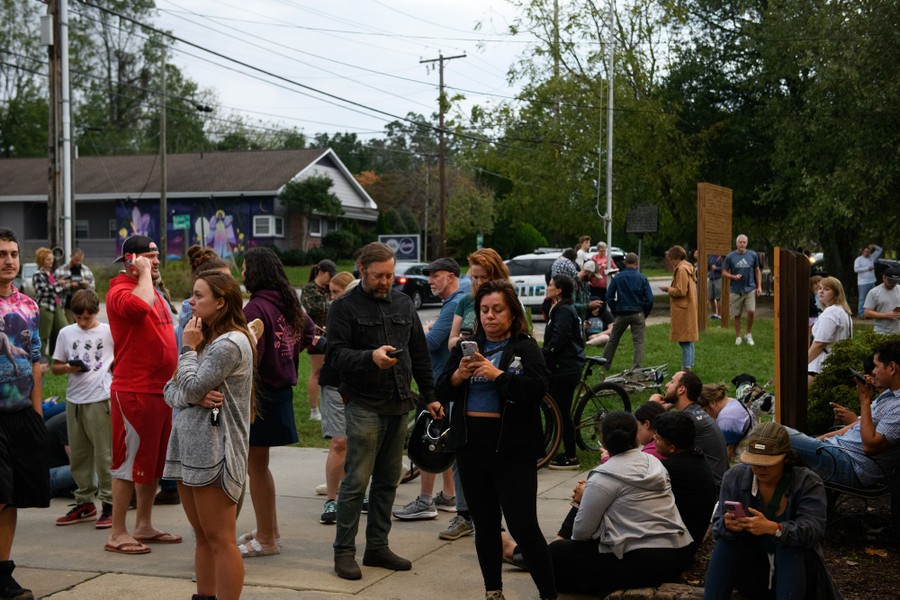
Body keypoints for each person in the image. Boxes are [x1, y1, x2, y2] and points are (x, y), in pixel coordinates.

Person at [436, 279, 556, 600]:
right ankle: (493, 591)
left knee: (523, 526)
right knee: (486, 525)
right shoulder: (466, 346)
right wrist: (458, 375)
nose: (489, 316)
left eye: (497, 309)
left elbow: (537, 389)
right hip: (471, 448)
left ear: (512, 313)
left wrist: (498, 375)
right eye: (484, 310)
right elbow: (441, 389)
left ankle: (548, 594)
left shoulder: (524, 347)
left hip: (512, 450)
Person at [327, 242, 440, 581]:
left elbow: (419, 353)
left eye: (390, 275)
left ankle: (377, 546)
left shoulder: (403, 303)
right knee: (356, 481)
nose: (385, 281)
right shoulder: (343, 307)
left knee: (389, 480)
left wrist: (430, 396)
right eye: (379, 276)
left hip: (399, 401)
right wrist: (369, 357)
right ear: (362, 270)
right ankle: (344, 552)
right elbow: (335, 355)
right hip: (364, 402)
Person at [164, 270, 255, 600]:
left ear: (220, 302)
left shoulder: (230, 344)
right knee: (202, 537)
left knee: (221, 540)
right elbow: (170, 389)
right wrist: (193, 395)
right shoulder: (207, 339)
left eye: (199, 295)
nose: (191, 301)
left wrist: (188, 351)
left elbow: (188, 385)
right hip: (189, 450)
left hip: (216, 452)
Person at [548, 412, 692, 597]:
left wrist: (582, 502)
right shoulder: (655, 463)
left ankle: (586, 587)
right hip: (679, 554)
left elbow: (581, 534)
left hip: (644, 562)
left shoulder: (603, 477)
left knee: (557, 552)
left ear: (604, 442)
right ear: (636, 437)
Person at [704, 422, 843, 599]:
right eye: (754, 462)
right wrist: (727, 525)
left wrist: (775, 529)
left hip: (797, 572)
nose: (759, 468)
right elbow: (717, 527)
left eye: (767, 464)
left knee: (789, 547)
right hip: (754, 570)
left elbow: (813, 531)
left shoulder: (807, 482)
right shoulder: (735, 477)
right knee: (726, 542)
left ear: (785, 458)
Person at [105, 235, 182, 555]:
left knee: (151, 463)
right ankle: (117, 532)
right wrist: (145, 273)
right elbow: (138, 308)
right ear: (131, 260)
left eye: (157, 255)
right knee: (128, 464)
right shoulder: (119, 292)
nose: (157, 261)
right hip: (134, 390)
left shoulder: (153, 291)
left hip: (160, 391)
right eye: (150, 257)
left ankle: (144, 525)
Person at [240, 246, 315, 557]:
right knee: (261, 467)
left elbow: (248, 358)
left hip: (261, 395)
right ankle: (268, 529)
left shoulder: (255, 308)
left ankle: (267, 539)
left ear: (255, 272)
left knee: (256, 469)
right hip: (280, 392)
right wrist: (286, 356)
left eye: (245, 268)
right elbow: (309, 333)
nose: (242, 273)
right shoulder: (286, 301)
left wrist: (273, 359)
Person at [442, 247, 510, 541]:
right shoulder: (465, 301)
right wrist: (464, 343)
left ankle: (497, 520)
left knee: (498, 459)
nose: (477, 283)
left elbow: (520, 340)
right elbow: (450, 341)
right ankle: (463, 513)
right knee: (461, 451)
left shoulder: (507, 298)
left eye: (483, 277)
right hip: (467, 384)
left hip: (496, 390)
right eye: (473, 277)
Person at [393, 258, 463, 520]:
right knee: (442, 438)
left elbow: (429, 343)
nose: (430, 281)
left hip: (436, 383)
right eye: (429, 276)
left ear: (451, 276)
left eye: (436, 276)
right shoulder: (453, 303)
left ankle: (425, 501)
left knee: (428, 440)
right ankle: (448, 496)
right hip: (442, 380)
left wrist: (424, 329)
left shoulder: (454, 304)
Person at [0, 227, 49, 600]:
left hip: (21, 414)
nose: (9, 261)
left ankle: (3, 574)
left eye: (14, 254)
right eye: (2, 254)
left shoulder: (28, 305)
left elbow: (34, 362)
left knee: (12, 497)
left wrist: (37, 414)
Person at [787, 340, 900, 489]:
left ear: (892, 368)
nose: (873, 372)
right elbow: (859, 425)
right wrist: (820, 439)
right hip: (835, 450)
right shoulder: (888, 395)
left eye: (876, 366)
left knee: (778, 434)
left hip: (852, 465)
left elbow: (870, 446)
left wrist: (865, 401)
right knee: (777, 450)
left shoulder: (898, 407)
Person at [50, 289, 114, 529]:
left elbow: (123, 357)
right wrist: (69, 368)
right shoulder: (66, 333)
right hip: (74, 400)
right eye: (79, 318)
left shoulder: (108, 331)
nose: (83, 322)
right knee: (78, 455)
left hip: (101, 399)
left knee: (105, 455)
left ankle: (109, 503)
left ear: (96, 312)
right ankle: (85, 502)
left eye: (88, 317)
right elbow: (56, 366)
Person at [317, 272, 357, 525]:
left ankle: (356, 491)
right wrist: (323, 342)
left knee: (359, 442)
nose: (332, 298)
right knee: (339, 441)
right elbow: (334, 349)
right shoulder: (335, 312)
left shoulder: (364, 311)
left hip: (359, 384)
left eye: (335, 292)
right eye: (330, 292)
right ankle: (331, 498)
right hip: (334, 383)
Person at [653, 411, 717, 554]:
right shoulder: (696, 455)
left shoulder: (668, 470)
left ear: (672, 448)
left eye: (657, 438)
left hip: (676, 549)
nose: (654, 439)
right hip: (691, 539)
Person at [650, 370, 729, 486]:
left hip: (709, 488)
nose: (666, 385)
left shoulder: (687, 421)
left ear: (681, 389)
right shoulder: (694, 413)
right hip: (713, 483)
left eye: (672, 382)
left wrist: (651, 406)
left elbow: (648, 432)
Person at [542, 274, 585, 470]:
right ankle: (556, 447)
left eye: (551, 284)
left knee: (562, 411)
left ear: (559, 290)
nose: (548, 286)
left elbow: (559, 339)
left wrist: (544, 354)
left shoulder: (565, 311)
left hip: (566, 367)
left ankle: (571, 456)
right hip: (562, 365)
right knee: (558, 409)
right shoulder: (558, 307)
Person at [602, 252, 654, 369]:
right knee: (638, 342)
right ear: (637, 263)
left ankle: (604, 364)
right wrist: (644, 313)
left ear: (625, 263)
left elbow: (609, 296)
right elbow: (649, 299)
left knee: (613, 339)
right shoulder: (642, 277)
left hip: (622, 313)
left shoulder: (618, 277)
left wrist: (615, 310)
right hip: (638, 312)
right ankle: (637, 368)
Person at [301, 259, 337, 422]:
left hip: (333, 335)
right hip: (316, 336)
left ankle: (328, 406)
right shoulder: (309, 289)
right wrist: (333, 302)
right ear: (321, 273)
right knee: (317, 372)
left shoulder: (329, 289)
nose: (331, 279)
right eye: (329, 275)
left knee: (331, 371)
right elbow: (313, 308)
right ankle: (314, 410)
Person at [808, 276, 853, 387]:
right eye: (820, 288)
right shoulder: (843, 312)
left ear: (836, 293)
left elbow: (820, 343)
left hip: (820, 367)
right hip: (833, 365)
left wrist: (801, 364)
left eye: (826, 289)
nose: (821, 291)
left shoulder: (831, 312)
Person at [660, 246, 698, 371]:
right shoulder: (687, 267)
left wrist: (668, 289)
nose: (670, 262)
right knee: (689, 338)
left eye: (671, 259)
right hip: (688, 307)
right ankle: (689, 365)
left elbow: (681, 291)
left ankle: (686, 368)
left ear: (676, 257)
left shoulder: (681, 269)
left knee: (684, 340)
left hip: (683, 309)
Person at [723, 234, 762, 346]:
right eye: (740, 242)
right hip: (736, 289)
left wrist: (759, 286)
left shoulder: (753, 255)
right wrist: (733, 276)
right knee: (737, 314)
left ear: (746, 244)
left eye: (744, 242)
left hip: (750, 288)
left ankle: (748, 333)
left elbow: (757, 270)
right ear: (736, 243)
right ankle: (738, 336)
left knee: (751, 311)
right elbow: (724, 272)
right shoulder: (730, 256)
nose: (742, 244)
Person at [698, 383, 755, 460]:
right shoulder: (731, 402)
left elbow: (726, 454)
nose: (706, 415)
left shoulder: (726, 418)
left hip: (742, 460)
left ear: (712, 403)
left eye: (705, 410)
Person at [32, 247, 67, 359]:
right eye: (48, 259)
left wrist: (59, 285)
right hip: (45, 307)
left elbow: (57, 290)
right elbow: (43, 291)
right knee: (44, 335)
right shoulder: (38, 274)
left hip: (56, 306)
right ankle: (39, 359)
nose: (51, 261)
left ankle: (55, 358)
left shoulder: (51, 273)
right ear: (41, 260)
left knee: (62, 330)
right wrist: (58, 285)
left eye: (52, 259)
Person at [54, 248, 95, 324]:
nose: (78, 262)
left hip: (82, 305)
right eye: (76, 260)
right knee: (69, 325)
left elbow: (92, 286)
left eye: (80, 260)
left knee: (82, 325)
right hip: (67, 304)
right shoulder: (60, 270)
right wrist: (69, 285)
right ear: (71, 257)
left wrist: (86, 285)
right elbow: (55, 287)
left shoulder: (86, 270)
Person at [863, 267, 900, 335]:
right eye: (890, 281)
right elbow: (867, 312)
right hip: (882, 333)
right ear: (884, 278)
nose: (893, 284)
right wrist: (887, 315)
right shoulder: (874, 292)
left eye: (895, 282)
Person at [854, 244, 883, 317]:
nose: (867, 253)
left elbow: (880, 250)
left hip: (872, 281)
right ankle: (861, 314)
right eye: (866, 252)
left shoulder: (872, 257)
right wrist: (867, 268)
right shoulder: (859, 259)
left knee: (874, 297)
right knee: (862, 298)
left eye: (869, 252)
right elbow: (856, 269)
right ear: (863, 251)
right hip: (863, 283)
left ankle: (873, 313)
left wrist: (873, 245)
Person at [707, 253, 723, 319]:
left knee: (718, 298)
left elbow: (725, 268)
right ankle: (714, 314)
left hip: (718, 278)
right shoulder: (710, 256)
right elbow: (708, 266)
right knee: (711, 298)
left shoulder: (721, 257)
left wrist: (716, 268)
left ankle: (719, 315)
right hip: (711, 279)